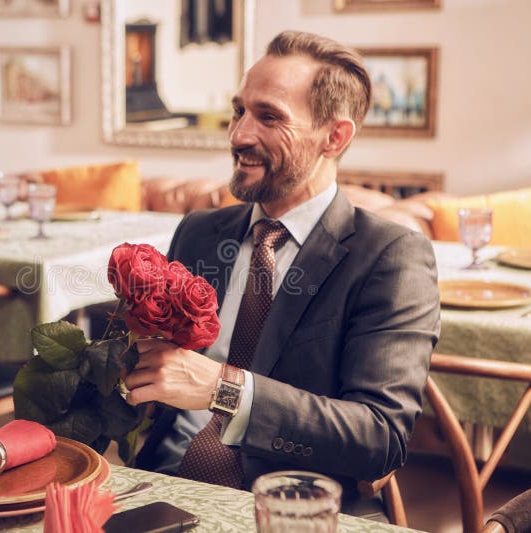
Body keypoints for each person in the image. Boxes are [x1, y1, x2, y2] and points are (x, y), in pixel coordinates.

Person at [121, 30, 440, 518]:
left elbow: (380, 437)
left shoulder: (390, 256)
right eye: (239, 111)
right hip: (161, 484)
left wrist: (222, 390)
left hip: (294, 506)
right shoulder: (199, 232)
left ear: (335, 136)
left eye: (269, 117)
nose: (239, 135)